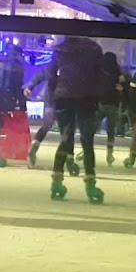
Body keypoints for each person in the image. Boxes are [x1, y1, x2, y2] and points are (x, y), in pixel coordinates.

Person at [38, 36, 106, 203]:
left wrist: (52, 99)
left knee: (66, 137)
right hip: (87, 97)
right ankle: (90, 184)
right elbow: (101, 74)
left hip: (63, 97)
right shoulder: (94, 48)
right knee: (86, 140)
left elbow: (51, 75)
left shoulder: (60, 50)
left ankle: (57, 181)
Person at [96, 51, 128, 166]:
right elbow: (123, 87)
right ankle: (109, 153)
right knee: (111, 131)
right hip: (113, 104)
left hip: (99, 104)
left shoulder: (99, 71)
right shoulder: (118, 72)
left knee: (92, 128)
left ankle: (86, 149)